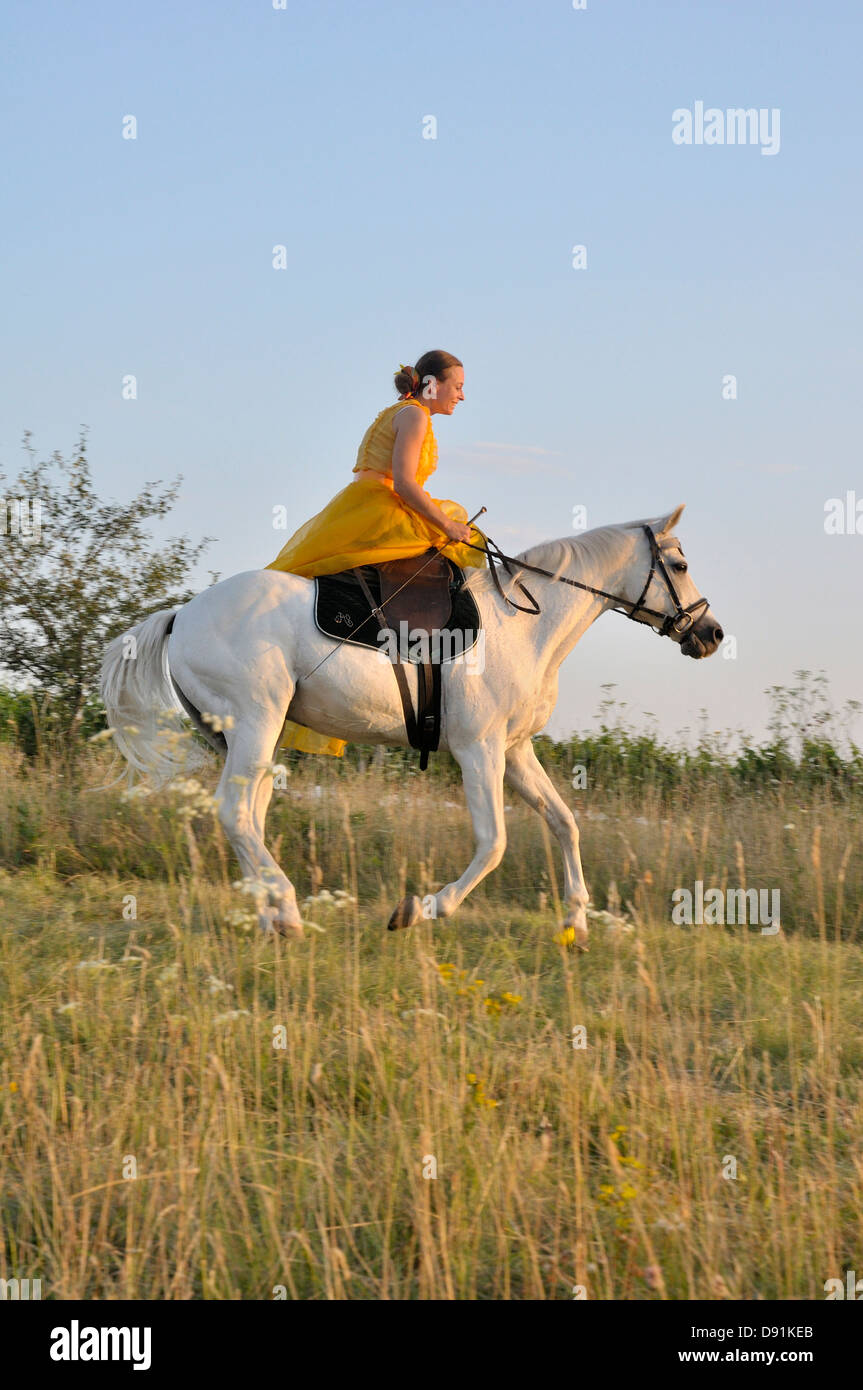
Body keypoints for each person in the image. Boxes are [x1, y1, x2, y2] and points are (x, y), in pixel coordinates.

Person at [266, 349, 486, 756]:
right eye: (458, 387)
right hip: (379, 508)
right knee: (467, 537)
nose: (462, 396)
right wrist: (446, 525)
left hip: (367, 504)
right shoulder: (416, 415)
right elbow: (404, 483)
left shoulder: (404, 411)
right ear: (433, 385)